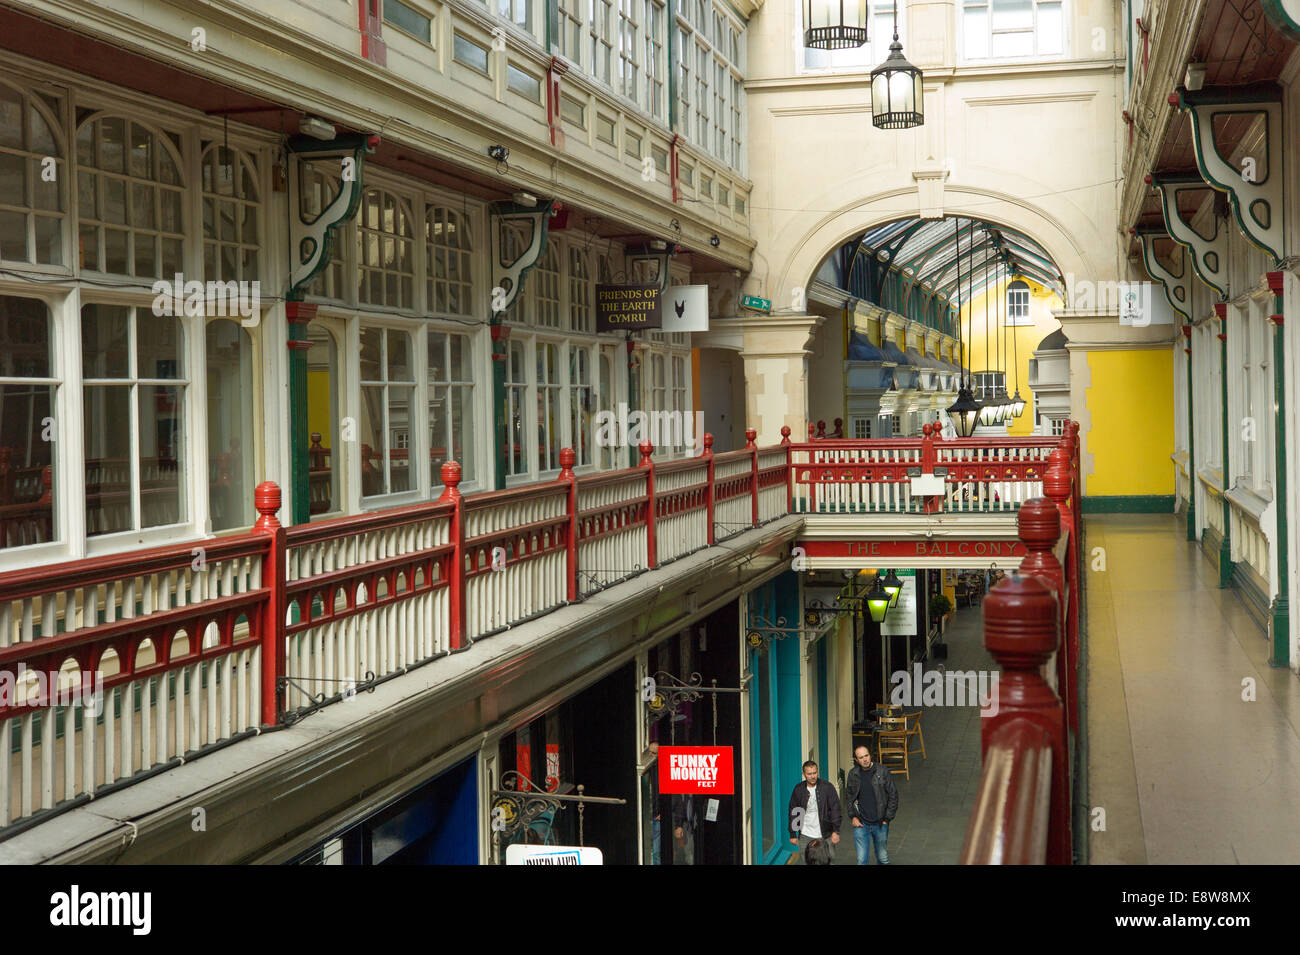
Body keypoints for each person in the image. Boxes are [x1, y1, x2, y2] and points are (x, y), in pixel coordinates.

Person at [846, 744, 899, 865]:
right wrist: (853, 816)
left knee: (883, 858)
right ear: (856, 760)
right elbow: (849, 797)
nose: (865, 759)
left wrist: (887, 818)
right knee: (861, 860)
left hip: (880, 822)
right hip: (861, 823)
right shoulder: (853, 774)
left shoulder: (882, 771)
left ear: (870, 755)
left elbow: (893, 795)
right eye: (861, 757)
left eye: (866, 755)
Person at [787, 760, 841, 863]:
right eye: (809, 774)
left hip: (825, 834)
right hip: (805, 834)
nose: (812, 776)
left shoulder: (827, 787)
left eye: (814, 773)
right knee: (807, 861)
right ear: (804, 774)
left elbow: (836, 810)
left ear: (817, 772)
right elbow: (794, 811)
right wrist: (793, 834)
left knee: (829, 861)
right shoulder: (799, 789)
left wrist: (836, 831)